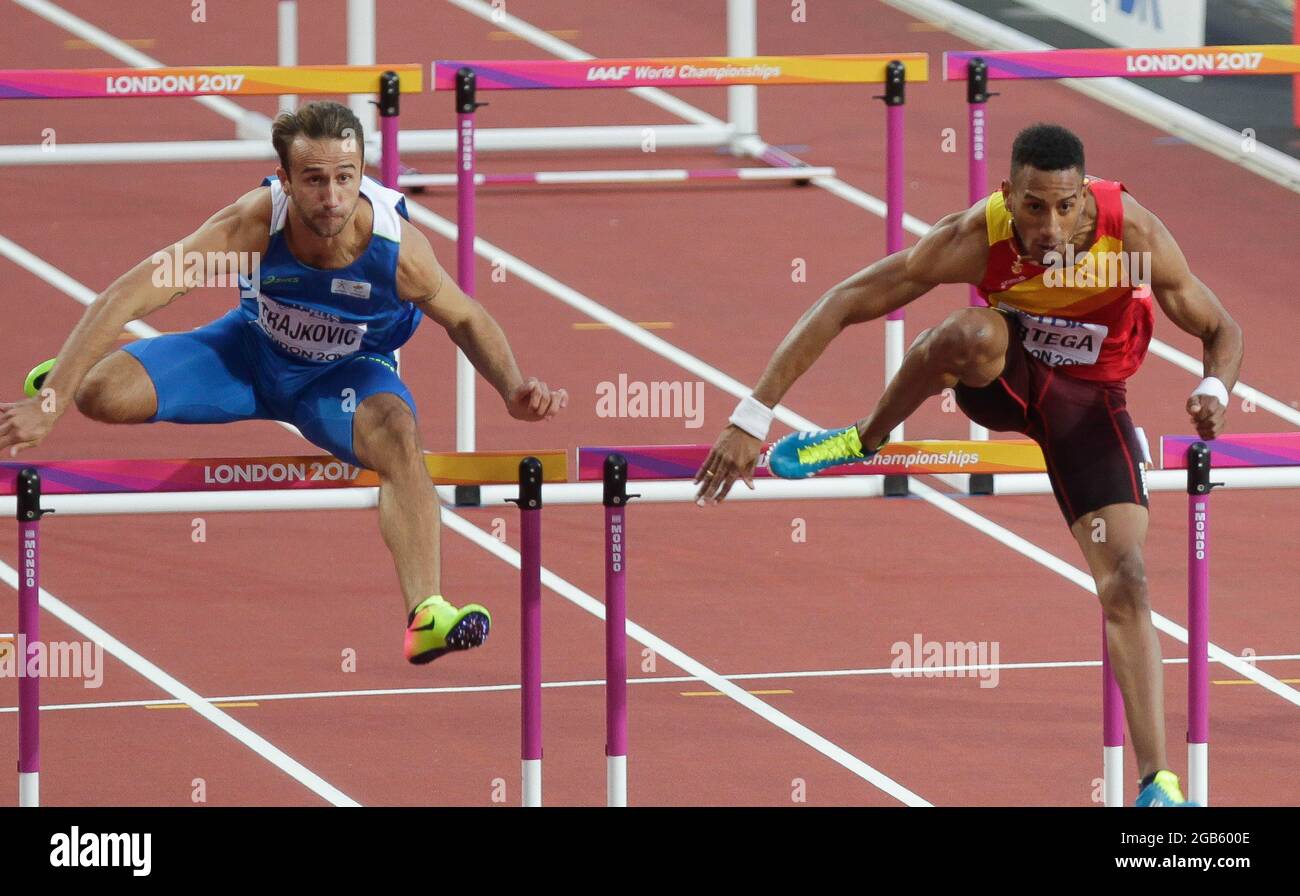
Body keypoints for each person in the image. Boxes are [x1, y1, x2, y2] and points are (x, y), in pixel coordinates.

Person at [694, 123, 1242, 807]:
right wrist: (751, 416)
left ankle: (1157, 784)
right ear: (1008, 195)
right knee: (961, 332)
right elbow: (843, 301)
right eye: (1035, 207)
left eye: (1065, 206)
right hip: (1006, 381)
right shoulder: (974, 239)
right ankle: (865, 438)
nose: (1050, 225)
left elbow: (1221, 328)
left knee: (1126, 580)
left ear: (1083, 198)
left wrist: (1215, 389)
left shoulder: (1130, 238)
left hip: (1092, 409)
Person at [0, 101, 567, 665]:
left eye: (345, 178)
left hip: (343, 378)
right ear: (285, 181)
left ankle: (427, 614)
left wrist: (512, 388)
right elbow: (130, 291)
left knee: (397, 434)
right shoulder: (252, 222)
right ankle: (77, 372)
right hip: (248, 354)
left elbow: (466, 316)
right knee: (99, 396)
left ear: (362, 174)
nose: (332, 197)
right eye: (314, 181)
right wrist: (48, 404)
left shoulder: (399, 252)